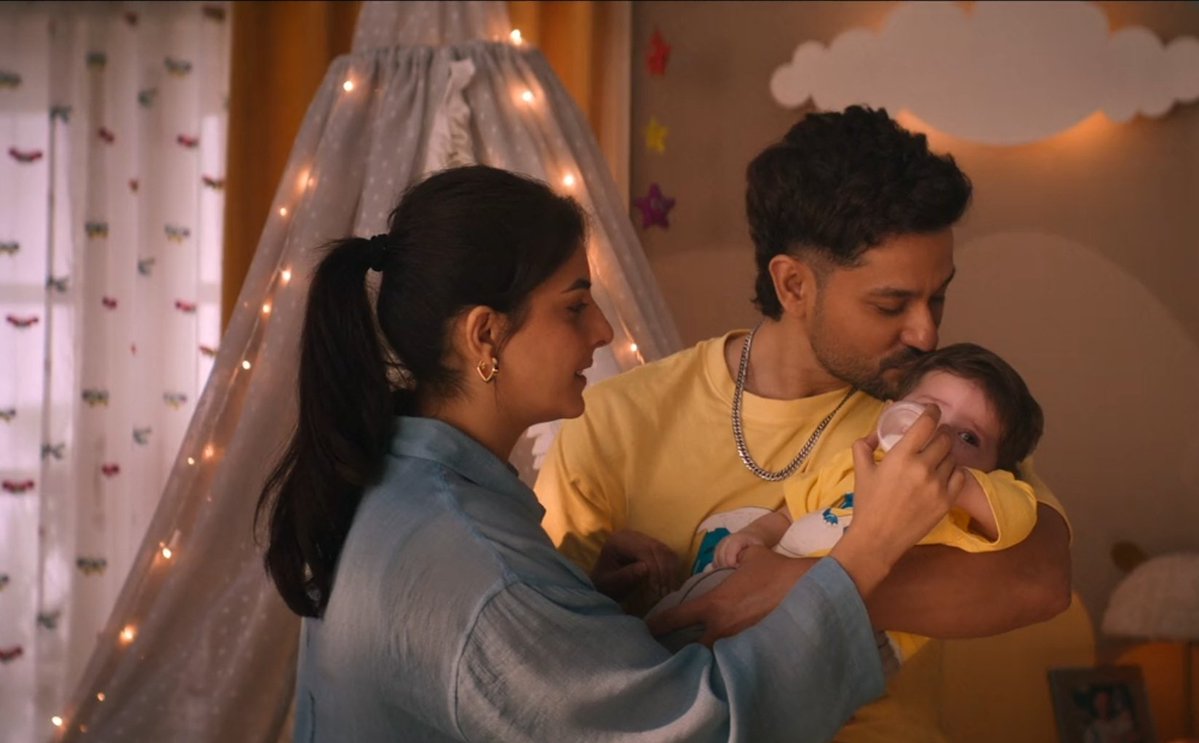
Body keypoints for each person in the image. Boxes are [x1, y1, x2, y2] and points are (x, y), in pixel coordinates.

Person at [255, 165, 964, 742]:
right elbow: (703, 727)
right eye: (574, 306)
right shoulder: (483, 562)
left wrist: (579, 611)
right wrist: (863, 554)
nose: (601, 331)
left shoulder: (402, 488)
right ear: (485, 336)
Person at [535, 107, 1072, 741]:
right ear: (793, 285)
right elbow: (552, 665)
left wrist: (796, 585)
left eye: (939, 297)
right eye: (892, 304)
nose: (927, 334)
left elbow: (1040, 581)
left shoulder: (946, 412)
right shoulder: (614, 422)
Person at [654, 343, 1044, 666]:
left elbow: (1020, 517)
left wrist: (956, 482)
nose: (939, 433)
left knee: (770, 675)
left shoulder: (968, 504)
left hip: (863, 628)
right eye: (930, 410)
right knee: (698, 603)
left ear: (996, 470)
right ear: (892, 410)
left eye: (969, 438)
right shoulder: (857, 461)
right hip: (777, 575)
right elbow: (794, 508)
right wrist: (757, 533)